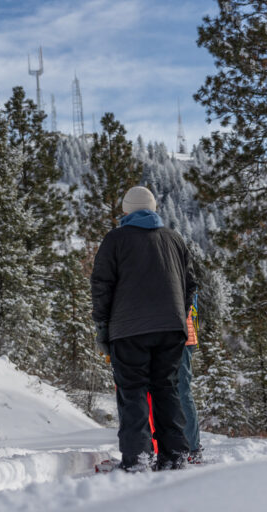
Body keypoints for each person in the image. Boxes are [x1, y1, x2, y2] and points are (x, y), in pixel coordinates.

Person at [91, 186, 197, 471]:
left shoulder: (115, 239)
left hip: (128, 329)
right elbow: (190, 284)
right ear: (153, 209)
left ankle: (138, 457)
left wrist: (102, 326)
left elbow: (101, 285)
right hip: (171, 329)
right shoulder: (174, 239)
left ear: (126, 211)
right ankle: (174, 455)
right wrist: (180, 314)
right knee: (167, 389)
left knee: (133, 391)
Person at [180, 298, 202, 462]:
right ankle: (190, 447)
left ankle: (191, 448)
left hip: (180, 334)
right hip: (183, 332)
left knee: (182, 391)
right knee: (181, 391)